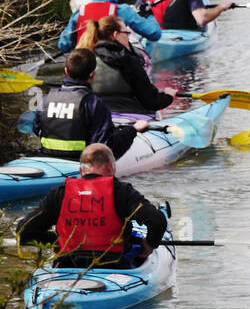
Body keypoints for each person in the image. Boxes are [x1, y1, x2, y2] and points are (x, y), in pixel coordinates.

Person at [16, 143, 168, 268]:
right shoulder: (122, 191)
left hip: (68, 265)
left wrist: (55, 241)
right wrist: (150, 245)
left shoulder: (59, 194)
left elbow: (23, 231)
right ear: (111, 166)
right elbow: (157, 221)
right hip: (114, 266)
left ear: (81, 170)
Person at [33, 49, 151, 161]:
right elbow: (106, 148)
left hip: (46, 157)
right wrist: (132, 130)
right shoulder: (93, 103)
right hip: (80, 162)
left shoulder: (46, 99)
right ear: (93, 75)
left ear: (66, 71)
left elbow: (36, 128)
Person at [78, 14, 175, 116]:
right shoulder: (128, 60)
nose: (128, 37)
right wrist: (169, 96)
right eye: (126, 33)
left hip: (97, 116)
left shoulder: (87, 58)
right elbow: (151, 102)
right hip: (132, 116)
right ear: (115, 35)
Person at [57, 0, 162, 52]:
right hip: (113, 70)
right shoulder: (123, 11)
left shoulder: (79, 12)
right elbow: (154, 34)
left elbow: (63, 46)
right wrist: (149, 16)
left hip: (85, 68)